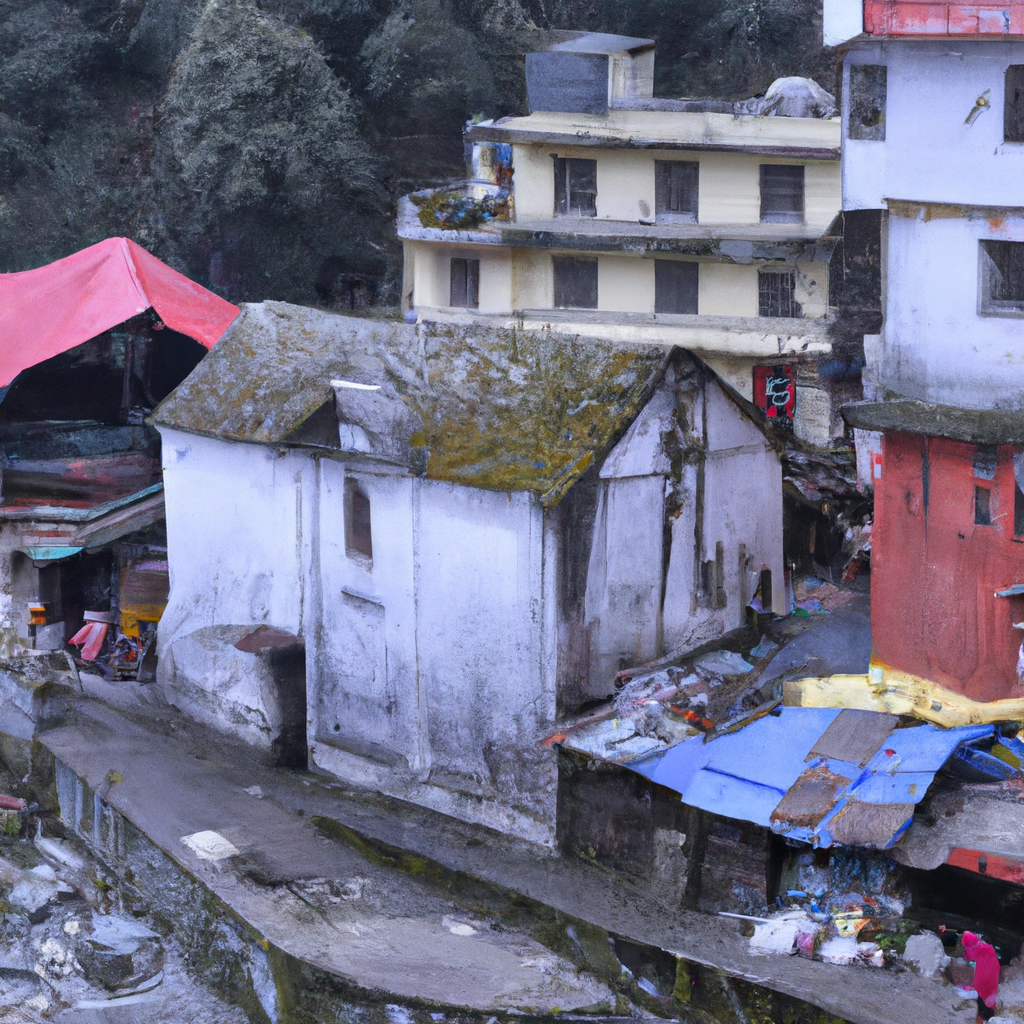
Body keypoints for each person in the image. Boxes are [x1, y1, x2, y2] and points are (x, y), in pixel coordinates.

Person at [962, 931, 1000, 1023]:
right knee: (989, 999)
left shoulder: (972, 950)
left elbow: (969, 959)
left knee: (981, 1002)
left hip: (983, 978)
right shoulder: (987, 948)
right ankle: (991, 1018)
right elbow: (996, 964)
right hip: (991, 977)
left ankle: (983, 1018)